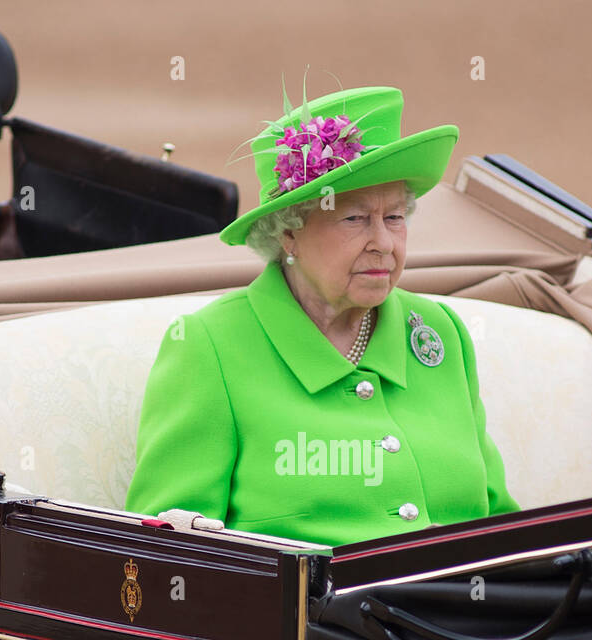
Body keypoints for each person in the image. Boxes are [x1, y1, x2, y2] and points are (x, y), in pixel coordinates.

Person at [124, 85, 518, 546]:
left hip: (466, 614)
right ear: (288, 233)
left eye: (394, 217)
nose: (384, 243)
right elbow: (164, 555)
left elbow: (502, 528)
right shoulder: (209, 346)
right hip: (306, 618)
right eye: (354, 219)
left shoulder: (438, 332)